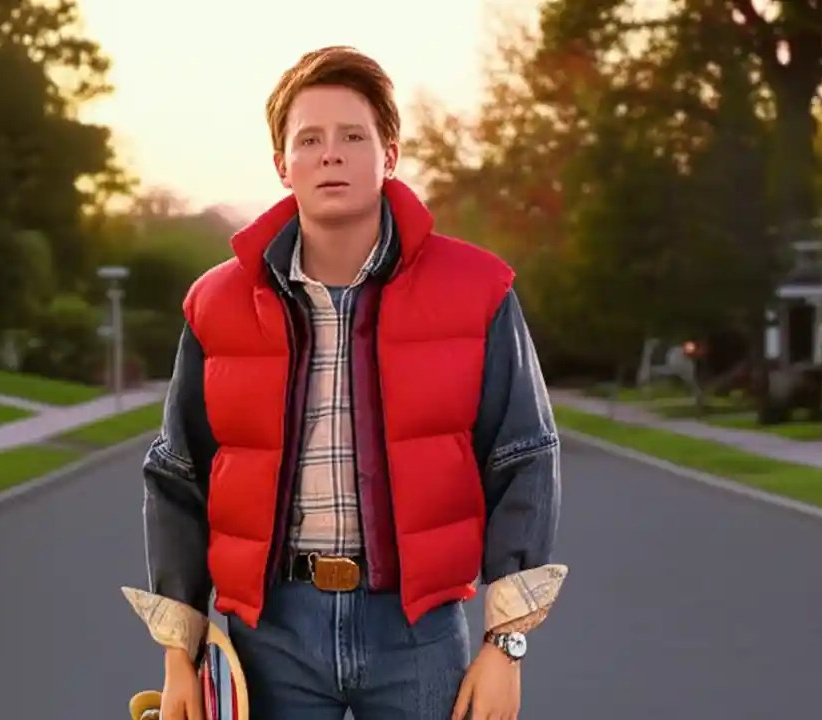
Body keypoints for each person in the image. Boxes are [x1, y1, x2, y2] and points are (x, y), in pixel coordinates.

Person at [130, 45, 566, 719]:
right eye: (310, 139)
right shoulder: (215, 305)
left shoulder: (477, 291)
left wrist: (505, 646)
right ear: (284, 166)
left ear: (389, 155)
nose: (331, 153)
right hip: (268, 636)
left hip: (420, 631)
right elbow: (178, 474)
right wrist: (177, 656)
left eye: (353, 136)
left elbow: (524, 460)